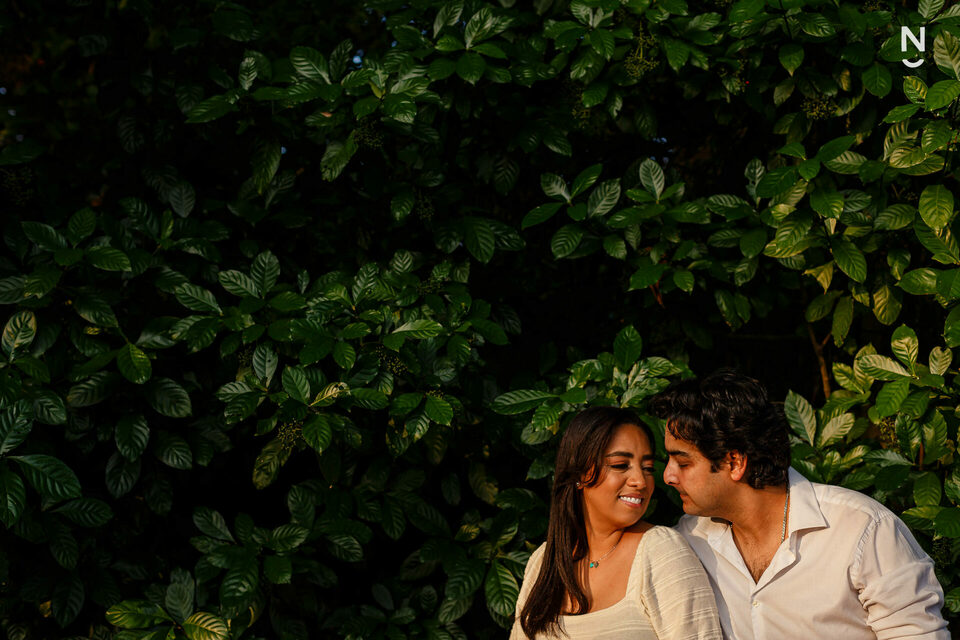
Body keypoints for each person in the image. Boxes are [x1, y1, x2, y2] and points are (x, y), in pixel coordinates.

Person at [650, 369, 950, 640]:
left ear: (734, 461)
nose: (668, 476)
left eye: (682, 461)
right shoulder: (688, 540)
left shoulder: (863, 528)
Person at [510, 406, 723, 640]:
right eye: (621, 465)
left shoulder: (661, 552)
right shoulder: (543, 561)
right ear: (580, 474)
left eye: (648, 468)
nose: (640, 481)